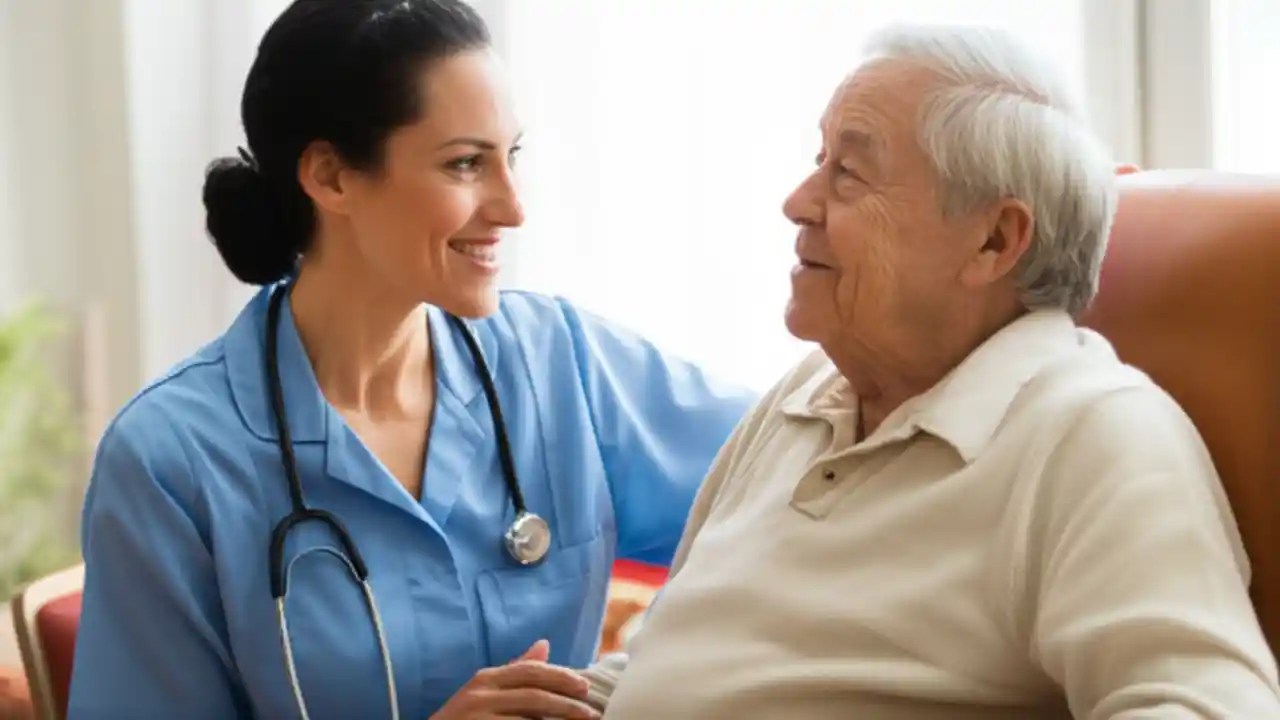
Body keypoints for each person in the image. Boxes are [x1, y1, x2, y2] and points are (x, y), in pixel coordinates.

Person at [66, 1, 754, 718]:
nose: (514, 208)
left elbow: (795, 490)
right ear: (331, 176)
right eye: (465, 164)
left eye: (511, 157)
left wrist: (639, 677)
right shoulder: (171, 461)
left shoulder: (561, 362)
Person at [587, 24, 1280, 719]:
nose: (797, 201)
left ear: (994, 240)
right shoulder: (809, 392)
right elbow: (668, 663)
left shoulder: (1090, 432)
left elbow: (1209, 706)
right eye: (820, 159)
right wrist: (570, 699)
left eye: (849, 174)